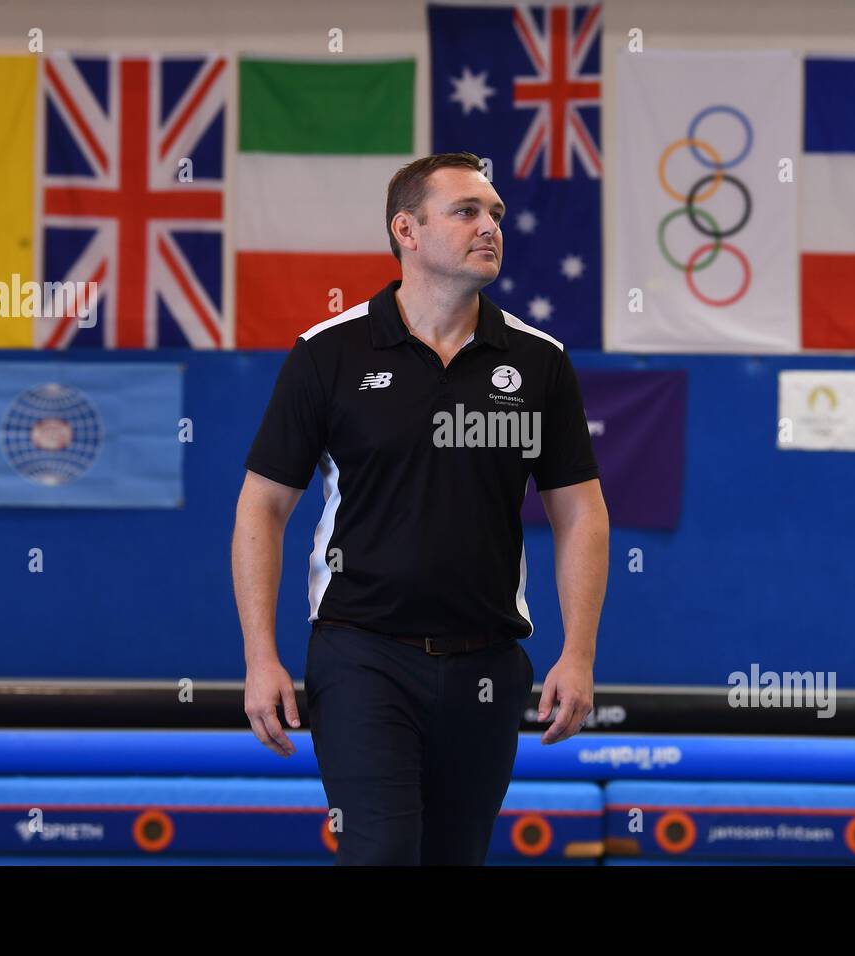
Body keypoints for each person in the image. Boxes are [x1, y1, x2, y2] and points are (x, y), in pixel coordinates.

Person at [232, 151, 609, 865]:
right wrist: (260, 658)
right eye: (466, 211)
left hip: (489, 662)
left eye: (495, 212)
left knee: (453, 857)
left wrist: (579, 653)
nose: (490, 225)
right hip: (361, 655)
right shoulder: (327, 355)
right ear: (406, 229)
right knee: (380, 852)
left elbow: (581, 515)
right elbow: (262, 508)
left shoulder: (539, 362)